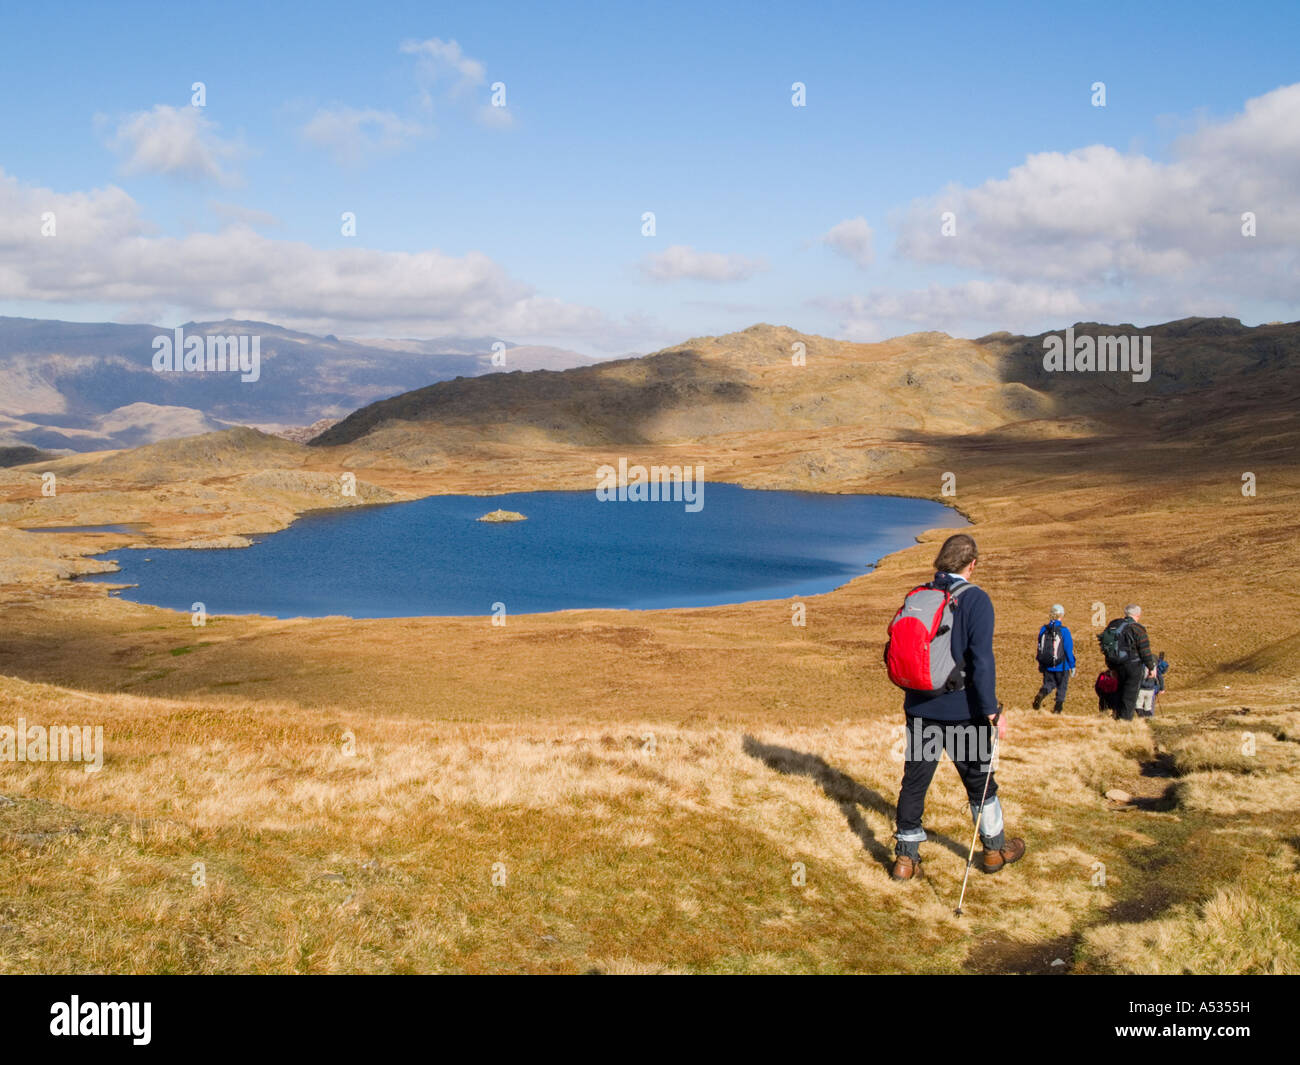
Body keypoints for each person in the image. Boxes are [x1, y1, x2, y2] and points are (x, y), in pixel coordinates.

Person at [891, 533, 1026, 881]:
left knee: (915, 781)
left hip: (920, 707)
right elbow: (981, 661)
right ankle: (994, 850)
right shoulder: (976, 599)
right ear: (973, 563)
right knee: (980, 781)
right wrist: (992, 710)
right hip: (964, 710)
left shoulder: (920, 595)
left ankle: (905, 860)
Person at [1099, 605, 1157, 721]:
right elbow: (1145, 650)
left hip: (1116, 665)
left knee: (1119, 693)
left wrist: (1111, 667)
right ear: (1138, 615)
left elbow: (1107, 648)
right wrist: (1151, 667)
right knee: (1129, 698)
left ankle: (1117, 719)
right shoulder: (1137, 628)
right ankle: (1125, 725)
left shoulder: (1115, 625)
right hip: (1133, 666)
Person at [1032, 604, 1076, 713]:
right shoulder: (1064, 630)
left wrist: (1041, 663)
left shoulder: (1043, 629)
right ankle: (1057, 709)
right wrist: (1072, 665)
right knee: (1062, 687)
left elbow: (1040, 647)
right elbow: (1068, 649)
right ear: (1061, 615)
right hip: (1062, 666)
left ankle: (1041, 694)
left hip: (1048, 665)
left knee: (1048, 684)